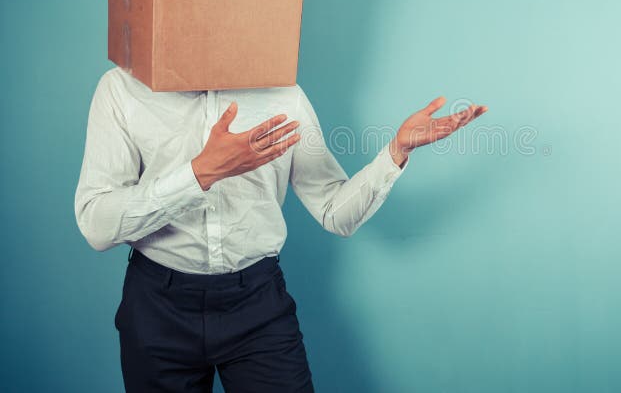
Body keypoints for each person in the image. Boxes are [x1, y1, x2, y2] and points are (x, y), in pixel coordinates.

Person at [74, 66, 487, 392]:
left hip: (255, 303)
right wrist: (199, 173)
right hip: (157, 307)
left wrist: (397, 152)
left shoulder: (281, 95)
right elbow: (96, 224)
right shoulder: (122, 89)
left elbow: (334, 211)